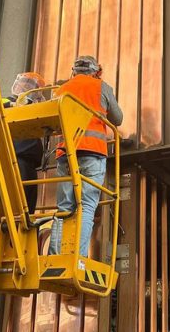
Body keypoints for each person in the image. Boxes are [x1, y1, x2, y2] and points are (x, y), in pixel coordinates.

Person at [49, 56, 123, 258]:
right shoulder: (101, 87)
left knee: (64, 207)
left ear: (74, 70)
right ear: (96, 70)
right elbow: (117, 119)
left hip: (66, 153)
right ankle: (77, 257)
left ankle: (56, 256)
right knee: (87, 206)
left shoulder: (62, 89)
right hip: (93, 152)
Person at [4, 72, 49, 215]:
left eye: (30, 85)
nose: (25, 88)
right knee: (19, 209)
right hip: (16, 159)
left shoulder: (34, 107)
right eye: (24, 83)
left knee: (28, 210)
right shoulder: (6, 101)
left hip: (29, 164)